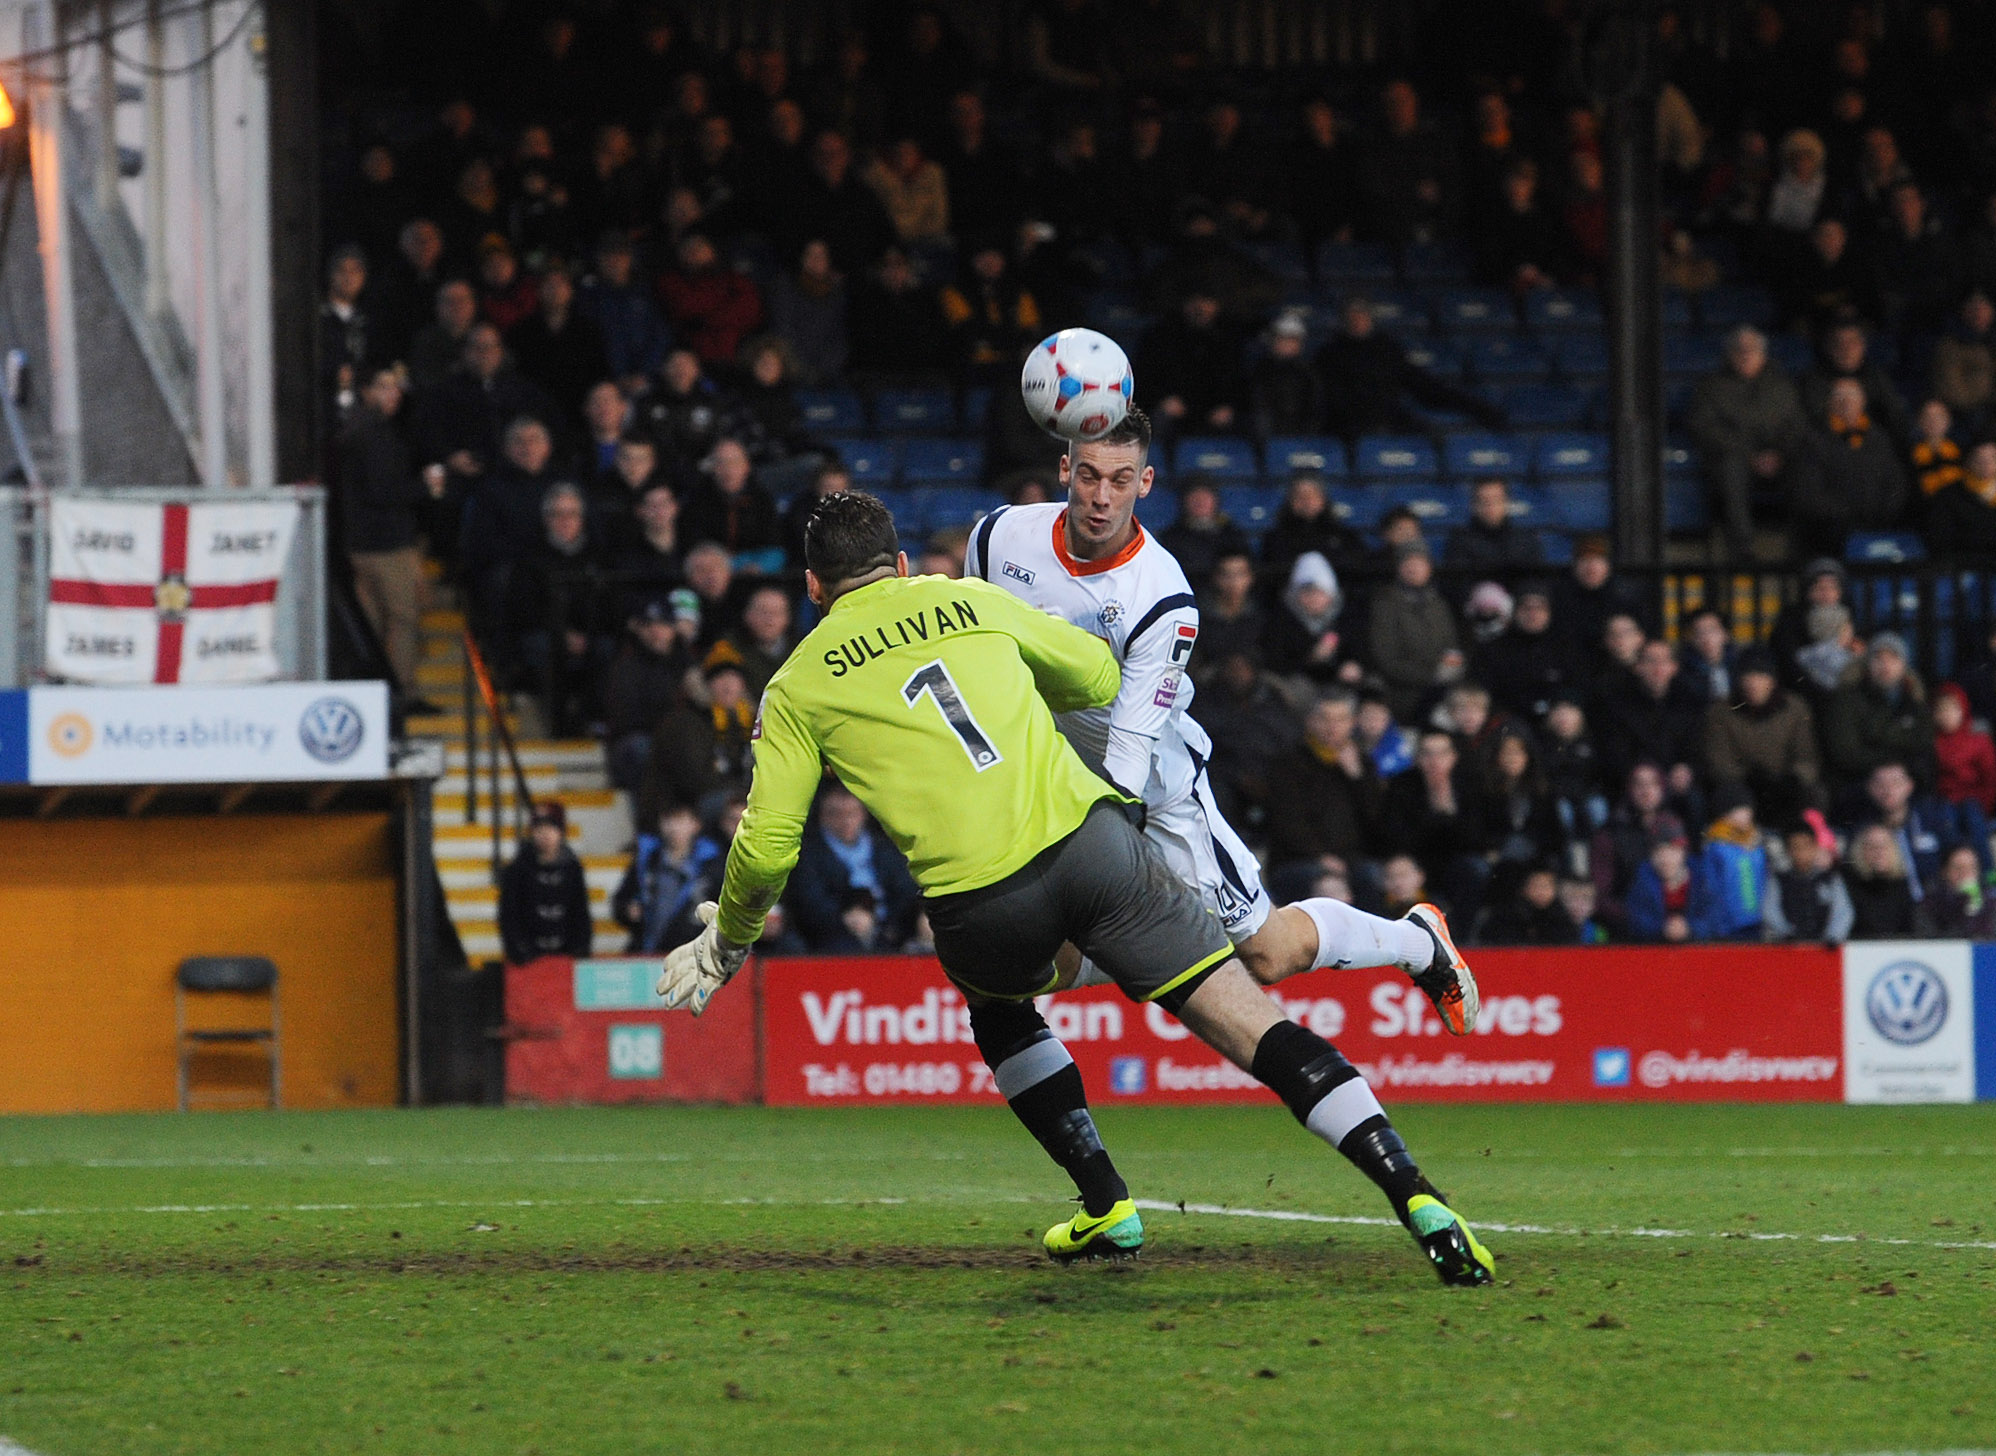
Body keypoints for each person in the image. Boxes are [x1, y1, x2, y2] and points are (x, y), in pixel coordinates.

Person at [656, 490, 1494, 1283]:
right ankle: (1417, 1196)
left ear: (811, 588)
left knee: (1002, 1008)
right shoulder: (969, 600)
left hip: (980, 903)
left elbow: (766, 848)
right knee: (1256, 1021)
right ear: (902, 562)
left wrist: (729, 940)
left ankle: (1105, 1204)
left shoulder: (797, 685)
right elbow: (1099, 677)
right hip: (1097, 850)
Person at [961, 410, 1470, 1005]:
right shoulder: (998, 538)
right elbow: (983, 652)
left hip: (1152, 789)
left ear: (1145, 483)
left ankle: (1417, 942)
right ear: (1065, 469)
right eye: (1091, 476)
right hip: (1049, 769)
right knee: (1036, 960)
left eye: (1121, 480)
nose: (1102, 497)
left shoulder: (1162, 596)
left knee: (1268, 953)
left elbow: (1129, 751)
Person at [337, 366, 441, 708]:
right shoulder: (374, 433)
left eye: (396, 388)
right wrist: (423, 486)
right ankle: (401, 695)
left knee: (377, 624)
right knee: (403, 618)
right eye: (384, 386)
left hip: (360, 542)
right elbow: (383, 490)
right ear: (366, 391)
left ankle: (378, 697)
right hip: (386, 543)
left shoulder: (356, 429)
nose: (393, 394)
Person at [1687, 325, 1808, 561]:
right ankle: (1741, 548)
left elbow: (1797, 427)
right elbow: (1704, 427)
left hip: (1779, 458)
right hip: (1735, 457)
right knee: (1730, 469)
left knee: (1808, 465)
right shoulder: (1711, 387)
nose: (1745, 355)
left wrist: (1778, 454)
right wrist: (1749, 455)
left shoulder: (1782, 387)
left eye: (1751, 350)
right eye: (1738, 350)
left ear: (1763, 355)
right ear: (1729, 355)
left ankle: (1802, 546)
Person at [786, 784, 921, 951]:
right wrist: (844, 918)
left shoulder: (884, 848)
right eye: (837, 814)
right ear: (822, 815)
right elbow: (808, 900)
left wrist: (886, 921)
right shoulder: (807, 854)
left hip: (888, 933)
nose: (846, 821)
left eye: (852, 814)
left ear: (863, 814)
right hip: (832, 938)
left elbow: (905, 890)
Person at [1788, 378, 1910, 556]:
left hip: (1880, 524)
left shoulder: (1880, 438)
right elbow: (1809, 493)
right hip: (1832, 532)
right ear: (1830, 402)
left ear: (1863, 401)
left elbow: (1896, 482)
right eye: (1839, 396)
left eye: (1852, 396)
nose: (1846, 402)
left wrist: (1884, 513)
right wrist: (1849, 515)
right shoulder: (1813, 440)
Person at [1703, 645, 1822, 826]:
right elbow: (1719, 761)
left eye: (1760, 675)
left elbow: (1807, 757)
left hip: (1786, 782)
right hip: (1742, 784)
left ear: (1772, 680)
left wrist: (1792, 778)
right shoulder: (1721, 711)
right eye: (1748, 675)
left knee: (1812, 794)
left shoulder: (1795, 708)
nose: (1753, 682)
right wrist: (1749, 778)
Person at [1823, 632, 1934, 791]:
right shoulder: (1847, 700)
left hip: (1909, 788)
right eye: (1878, 658)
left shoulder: (1915, 702)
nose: (1885, 665)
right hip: (1859, 786)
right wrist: (1896, 759)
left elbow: (1924, 745)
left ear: (1904, 665)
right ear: (1868, 664)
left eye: (1893, 658)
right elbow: (1846, 753)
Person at [1366, 538, 1461, 722]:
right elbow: (1387, 660)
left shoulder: (1439, 604)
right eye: (1407, 562)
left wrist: (1452, 668)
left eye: (1419, 562)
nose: (1413, 568)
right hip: (1401, 695)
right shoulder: (1384, 604)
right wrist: (1432, 676)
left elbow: (1452, 646)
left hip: (1442, 692)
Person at [612, 804, 719, 954]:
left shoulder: (712, 865)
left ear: (695, 825)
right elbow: (621, 901)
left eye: (680, 821)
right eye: (668, 820)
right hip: (649, 953)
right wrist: (627, 910)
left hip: (693, 956)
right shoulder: (647, 860)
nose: (674, 828)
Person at [498, 802, 592, 964]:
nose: (545, 834)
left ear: (561, 832)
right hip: (527, 960)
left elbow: (580, 911)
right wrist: (519, 950)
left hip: (567, 958)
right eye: (539, 829)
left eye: (551, 828)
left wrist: (579, 948)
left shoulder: (572, 869)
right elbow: (509, 914)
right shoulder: (517, 869)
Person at [1262, 552, 1357, 693]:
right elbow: (1276, 663)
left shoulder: (1346, 617)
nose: (1314, 598)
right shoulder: (1281, 620)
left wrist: (1352, 666)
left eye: (1319, 592)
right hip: (1299, 688)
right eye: (1307, 592)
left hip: (1340, 685)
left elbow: (1358, 651)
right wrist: (1310, 658)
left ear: (1331, 595)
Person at [1697, 785, 1769, 941]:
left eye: (1748, 809)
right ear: (1725, 814)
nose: (1747, 814)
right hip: (1729, 928)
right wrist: (1718, 926)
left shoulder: (1758, 844)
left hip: (1758, 923)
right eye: (1740, 809)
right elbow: (1711, 889)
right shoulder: (1716, 846)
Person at [1764, 824, 1855, 944]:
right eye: (1796, 847)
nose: (1801, 853)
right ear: (1788, 850)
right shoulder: (1779, 880)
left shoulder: (1830, 878)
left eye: (1806, 846)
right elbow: (1770, 911)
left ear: (1815, 847)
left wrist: (1833, 936)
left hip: (1824, 949)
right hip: (1788, 948)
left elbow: (1843, 912)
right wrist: (1786, 933)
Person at [1625, 822, 1712, 944]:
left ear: (1683, 852)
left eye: (1672, 850)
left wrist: (1689, 929)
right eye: (1658, 851)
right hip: (1654, 953)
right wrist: (1662, 929)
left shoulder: (1702, 879)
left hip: (1698, 952)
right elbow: (1636, 920)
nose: (1665, 858)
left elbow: (1713, 918)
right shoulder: (1642, 881)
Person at [1446, 478, 1543, 573]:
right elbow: (1459, 581)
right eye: (1484, 501)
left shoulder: (1525, 540)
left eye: (1496, 500)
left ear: (1506, 502)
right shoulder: (1460, 541)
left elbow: (1536, 580)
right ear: (1474, 505)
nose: (1491, 507)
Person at [1844, 824, 1919, 939]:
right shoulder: (1848, 885)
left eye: (1884, 846)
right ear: (1860, 851)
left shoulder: (1902, 886)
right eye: (1872, 846)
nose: (1879, 852)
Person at [1478, 865, 1575, 945]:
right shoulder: (1507, 917)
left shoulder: (1562, 919)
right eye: (1536, 885)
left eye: (1546, 886)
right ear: (1524, 888)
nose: (1541, 891)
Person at [1920, 845, 1996, 938]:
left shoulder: (1990, 903)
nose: (1965, 874)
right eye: (1958, 868)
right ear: (1944, 872)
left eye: (1971, 868)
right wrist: (1962, 906)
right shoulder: (1930, 906)